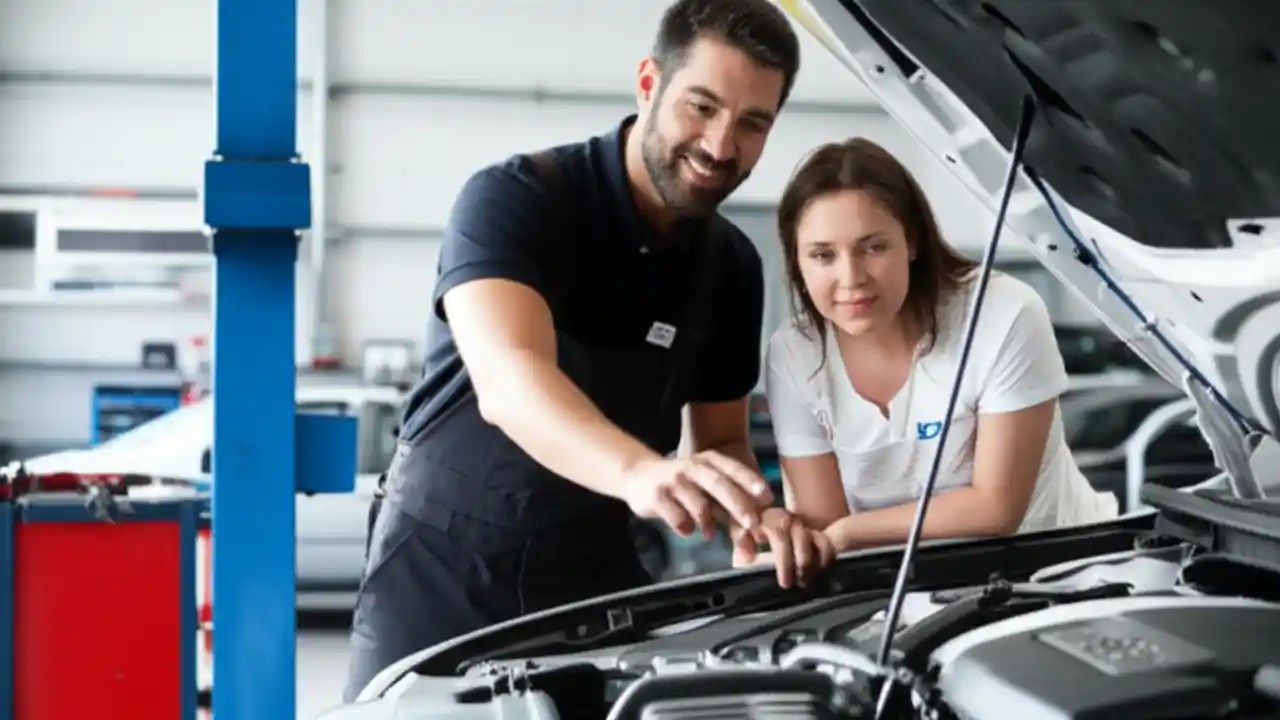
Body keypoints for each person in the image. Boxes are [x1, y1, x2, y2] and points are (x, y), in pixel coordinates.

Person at [344, 0, 836, 702]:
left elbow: (721, 440)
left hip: (592, 578)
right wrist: (640, 471)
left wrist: (755, 514)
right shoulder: (515, 200)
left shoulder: (731, 266)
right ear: (648, 83)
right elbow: (509, 380)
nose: (721, 145)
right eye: (701, 107)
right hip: (442, 566)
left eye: (752, 123)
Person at [747, 137, 1119, 562]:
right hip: (907, 584)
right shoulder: (793, 355)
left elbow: (996, 509)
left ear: (912, 241)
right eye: (823, 255)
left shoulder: (1002, 313)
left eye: (873, 247)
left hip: (1063, 566)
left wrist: (850, 532)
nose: (851, 277)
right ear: (797, 262)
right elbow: (823, 531)